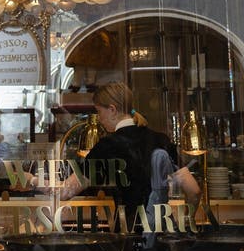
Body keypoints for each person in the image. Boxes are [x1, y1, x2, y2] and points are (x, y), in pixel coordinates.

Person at [58, 82, 201, 222]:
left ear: (112, 110)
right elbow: (194, 190)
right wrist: (187, 220)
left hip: (128, 229)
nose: (99, 119)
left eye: (99, 112)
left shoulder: (107, 146)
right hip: (161, 231)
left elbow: (66, 192)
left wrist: (43, 183)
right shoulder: (160, 140)